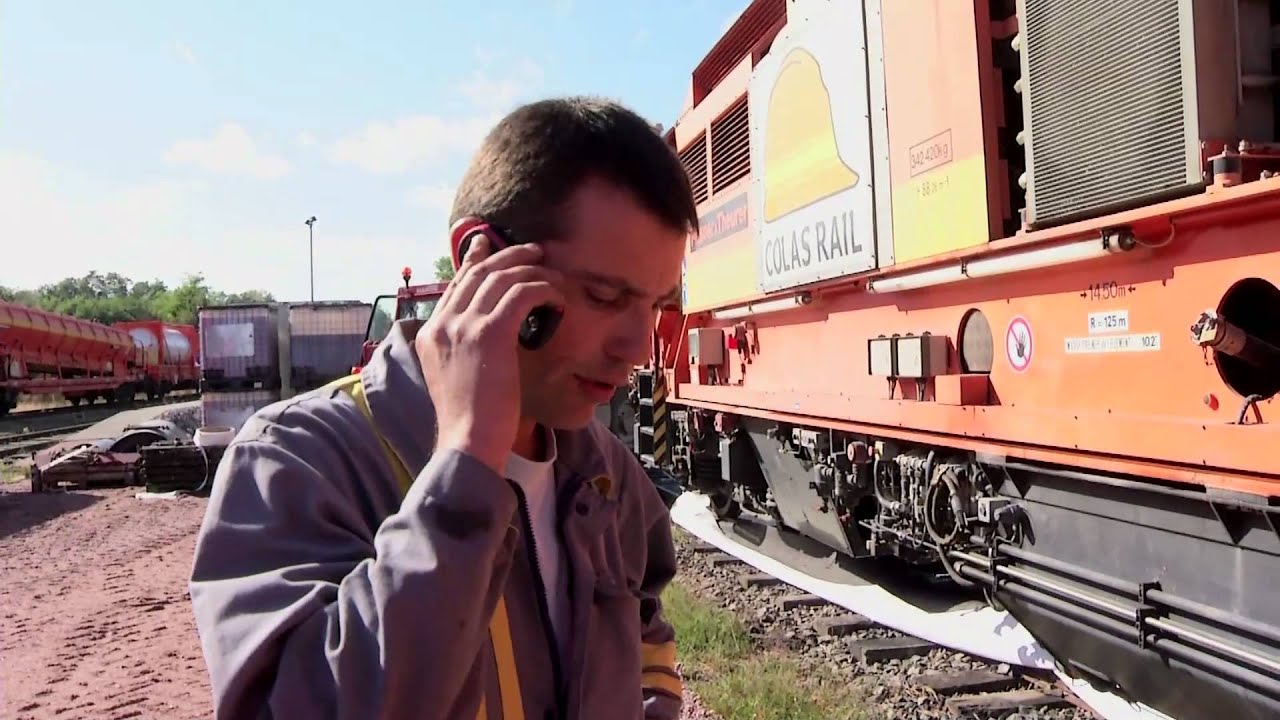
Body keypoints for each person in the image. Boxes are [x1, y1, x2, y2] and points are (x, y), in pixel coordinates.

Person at [187, 95, 699, 720]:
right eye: (603, 296)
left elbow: (646, 634)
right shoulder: (296, 462)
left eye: (656, 305)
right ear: (478, 257)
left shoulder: (606, 474)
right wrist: (466, 465)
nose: (639, 347)